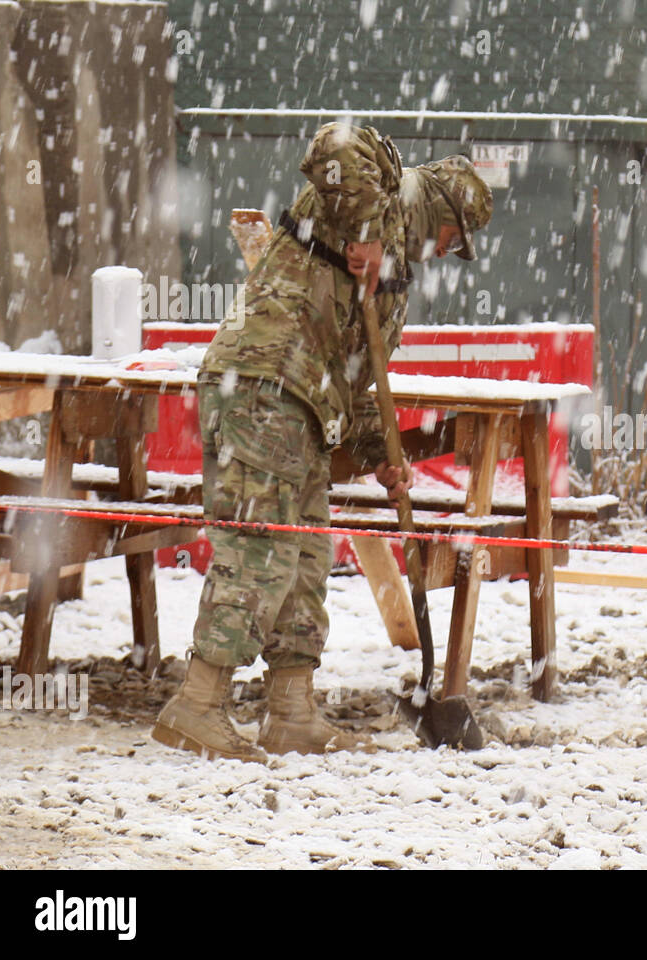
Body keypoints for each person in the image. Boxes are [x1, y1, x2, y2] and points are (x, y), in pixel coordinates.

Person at [152, 122, 493, 761]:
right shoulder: (374, 190)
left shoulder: (392, 285)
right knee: (262, 551)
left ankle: (290, 711)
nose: (448, 254)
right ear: (436, 211)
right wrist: (365, 233)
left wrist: (383, 457)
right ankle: (197, 704)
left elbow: (358, 392)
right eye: (453, 240)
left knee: (306, 559)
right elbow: (333, 145)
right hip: (264, 381)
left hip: (306, 409)